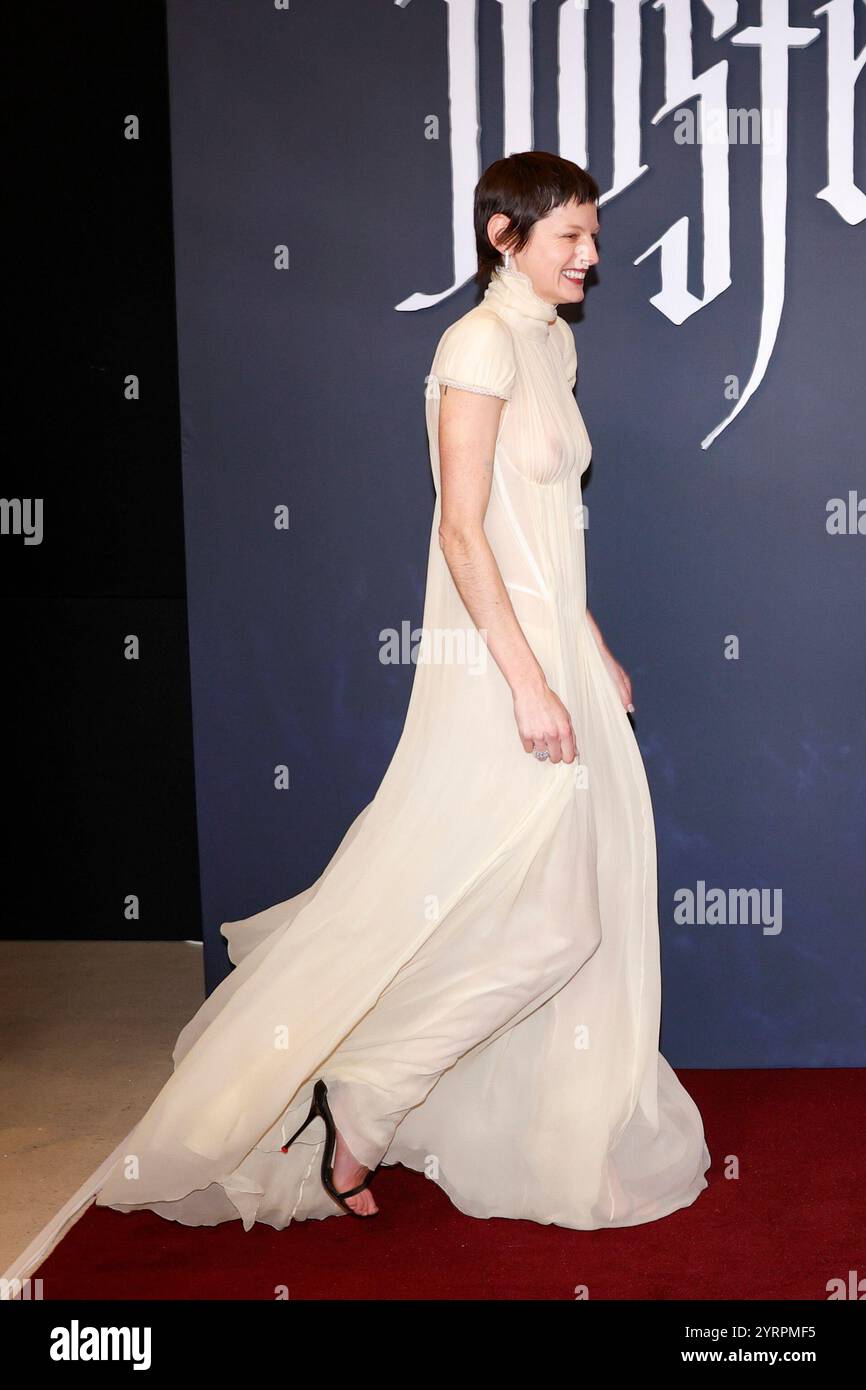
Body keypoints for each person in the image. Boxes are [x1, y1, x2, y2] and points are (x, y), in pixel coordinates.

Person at [94, 151, 711, 1231]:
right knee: (541, 918)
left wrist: (588, 643)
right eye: (571, 236)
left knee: (554, 915)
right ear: (502, 237)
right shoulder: (473, 344)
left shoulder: (549, 345)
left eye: (592, 237)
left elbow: (546, 533)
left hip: (550, 655)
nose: (590, 256)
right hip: (495, 669)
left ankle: (363, 1098)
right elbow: (464, 530)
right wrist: (525, 683)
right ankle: (359, 1092)